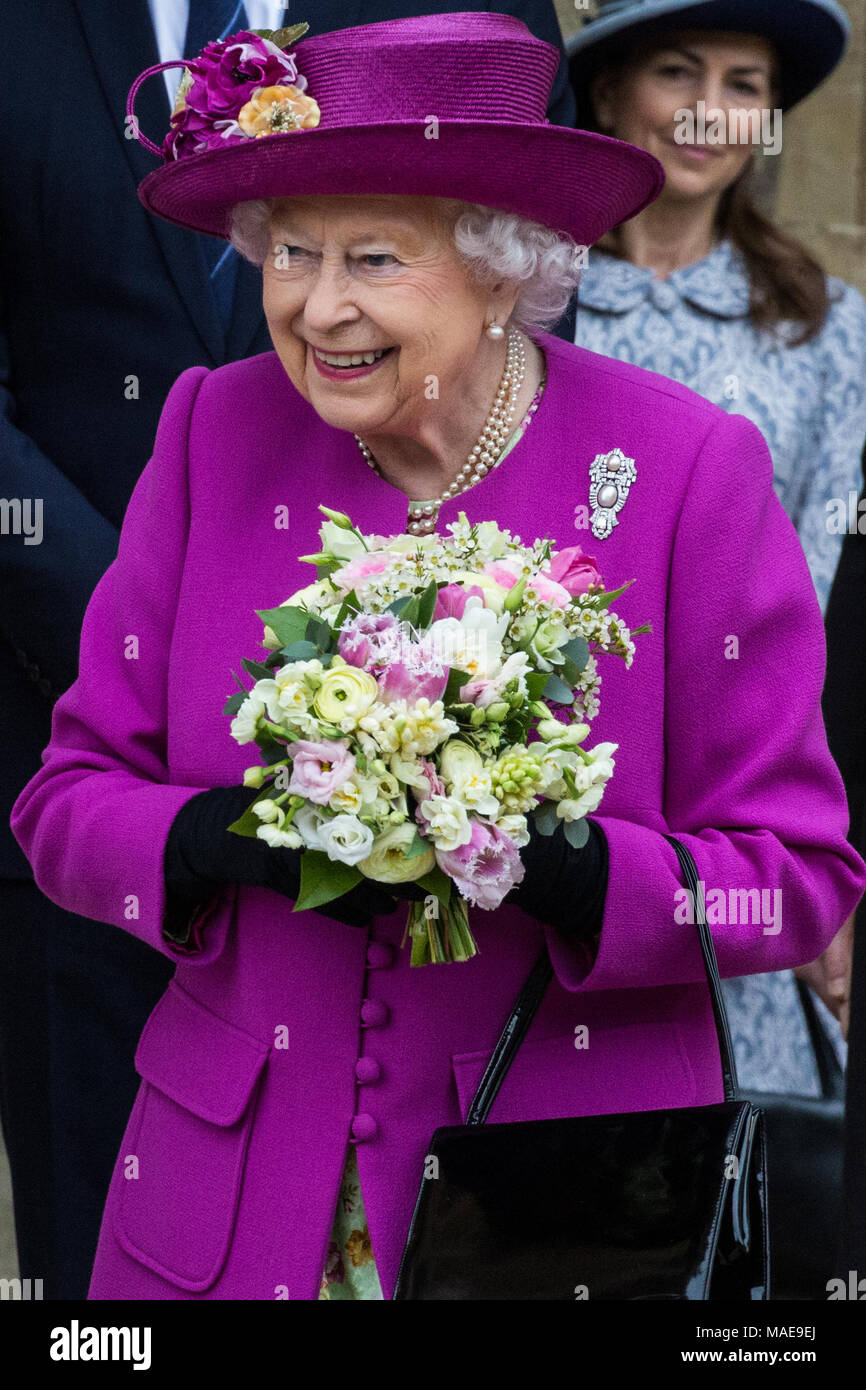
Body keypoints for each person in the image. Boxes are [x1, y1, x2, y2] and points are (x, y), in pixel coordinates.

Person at [11, 13, 865, 1302]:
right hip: (225, 1204)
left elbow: (789, 884)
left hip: (545, 1210)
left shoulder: (684, 472)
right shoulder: (210, 430)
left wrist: (585, 877)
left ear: (498, 263)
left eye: (371, 257)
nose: (316, 305)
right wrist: (203, 842)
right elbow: (64, 805)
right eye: (289, 251)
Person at [0, 0, 574, 1299]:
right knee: (109, 1276)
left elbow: (518, 369)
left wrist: (425, 689)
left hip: (428, 845)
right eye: (294, 255)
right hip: (89, 781)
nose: (319, 306)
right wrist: (190, 655)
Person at [563, 0, 866, 1096]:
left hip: (742, 806)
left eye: (742, 85)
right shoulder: (533, 307)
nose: (706, 109)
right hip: (558, 795)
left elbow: (831, 590)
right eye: (676, 72)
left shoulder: (826, 329)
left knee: (737, 1192)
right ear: (607, 95)